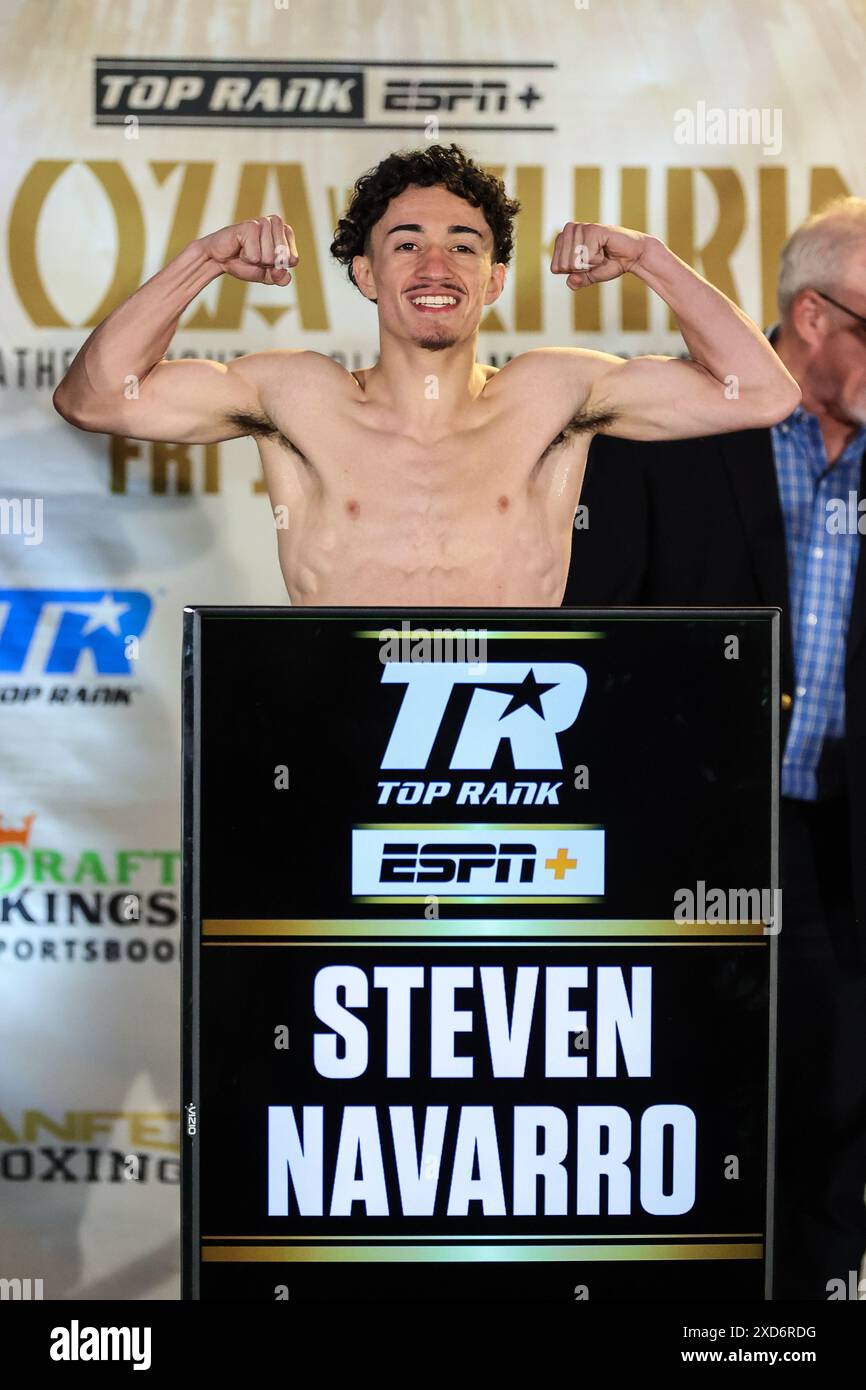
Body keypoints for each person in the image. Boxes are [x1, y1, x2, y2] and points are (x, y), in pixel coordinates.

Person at [53, 144, 798, 606]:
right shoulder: (294, 394)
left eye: (464, 247)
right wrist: (204, 260)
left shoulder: (552, 392)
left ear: (496, 280)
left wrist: (648, 259)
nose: (436, 268)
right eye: (406, 245)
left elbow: (764, 393)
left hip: (512, 738)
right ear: (366, 273)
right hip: (334, 724)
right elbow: (94, 398)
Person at [565, 195, 866, 1301]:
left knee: (836, 1107)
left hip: (842, 845)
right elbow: (590, 632)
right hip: (691, 838)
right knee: (681, 1105)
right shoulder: (674, 427)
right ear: (810, 317)